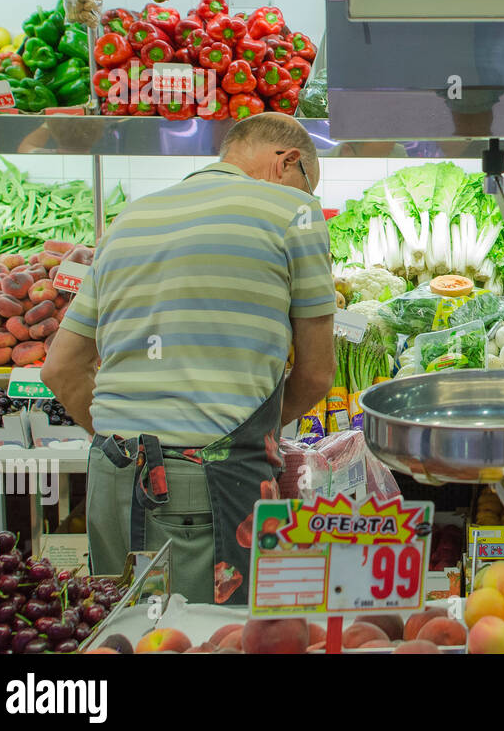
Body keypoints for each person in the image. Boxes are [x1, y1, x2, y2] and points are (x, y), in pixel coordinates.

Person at [42, 113, 336, 605]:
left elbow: (60, 368)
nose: (309, 195)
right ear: (288, 162)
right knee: (204, 638)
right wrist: (250, 433)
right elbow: (317, 371)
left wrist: (127, 439)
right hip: (210, 480)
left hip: (110, 476)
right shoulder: (296, 212)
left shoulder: (128, 220)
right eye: (309, 183)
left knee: (123, 631)